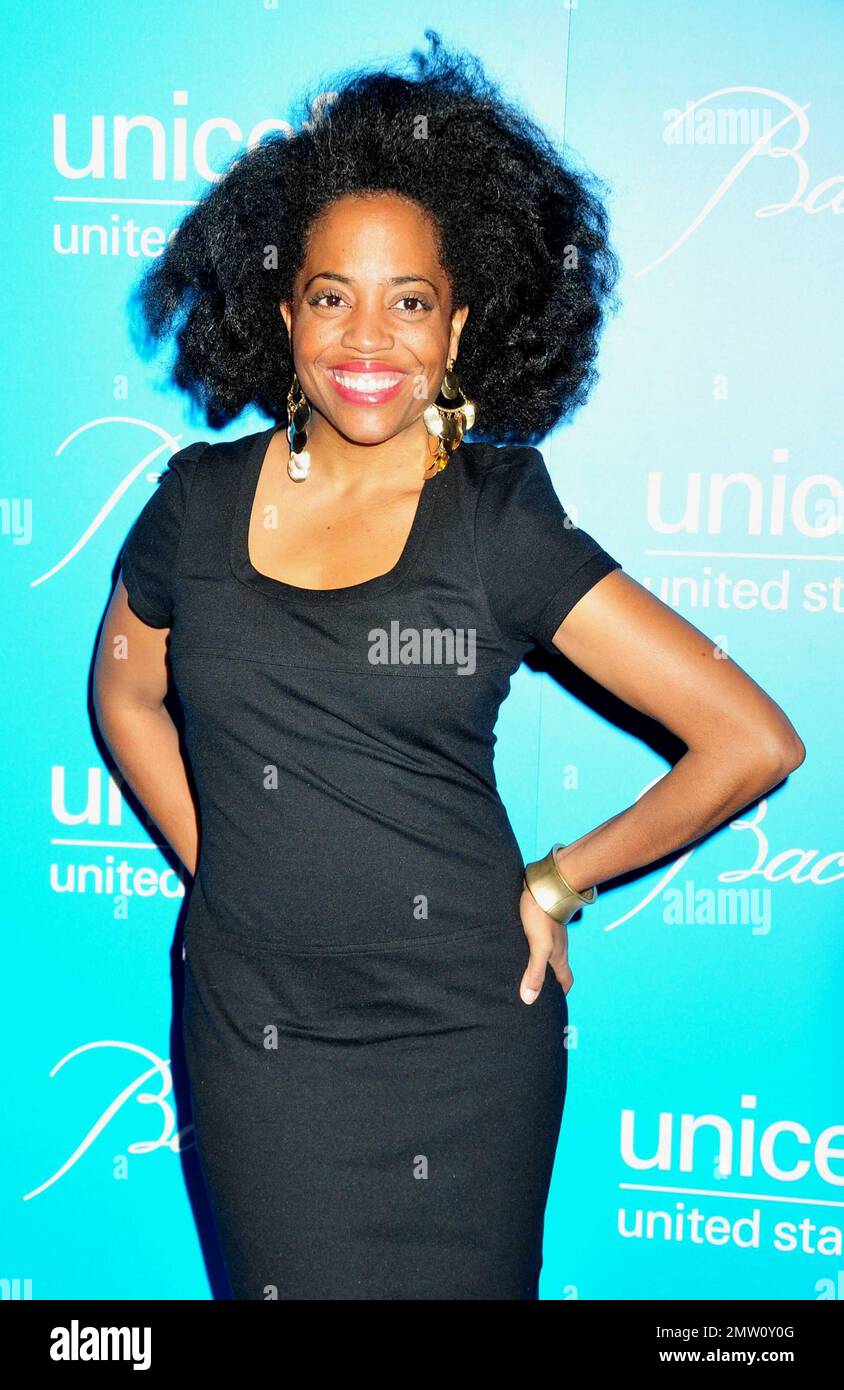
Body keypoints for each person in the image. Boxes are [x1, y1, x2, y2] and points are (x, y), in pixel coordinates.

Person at [93, 33, 804, 1300]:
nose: (369, 336)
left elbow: (750, 738)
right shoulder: (194, 506)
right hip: (262, 1040)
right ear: (282, 311)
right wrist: (227, 857)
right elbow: (125, 689)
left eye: (409, 299)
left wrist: (560, 878)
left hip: (461, 1035)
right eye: (331, 295)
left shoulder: (496, 516)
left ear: (459, 323)